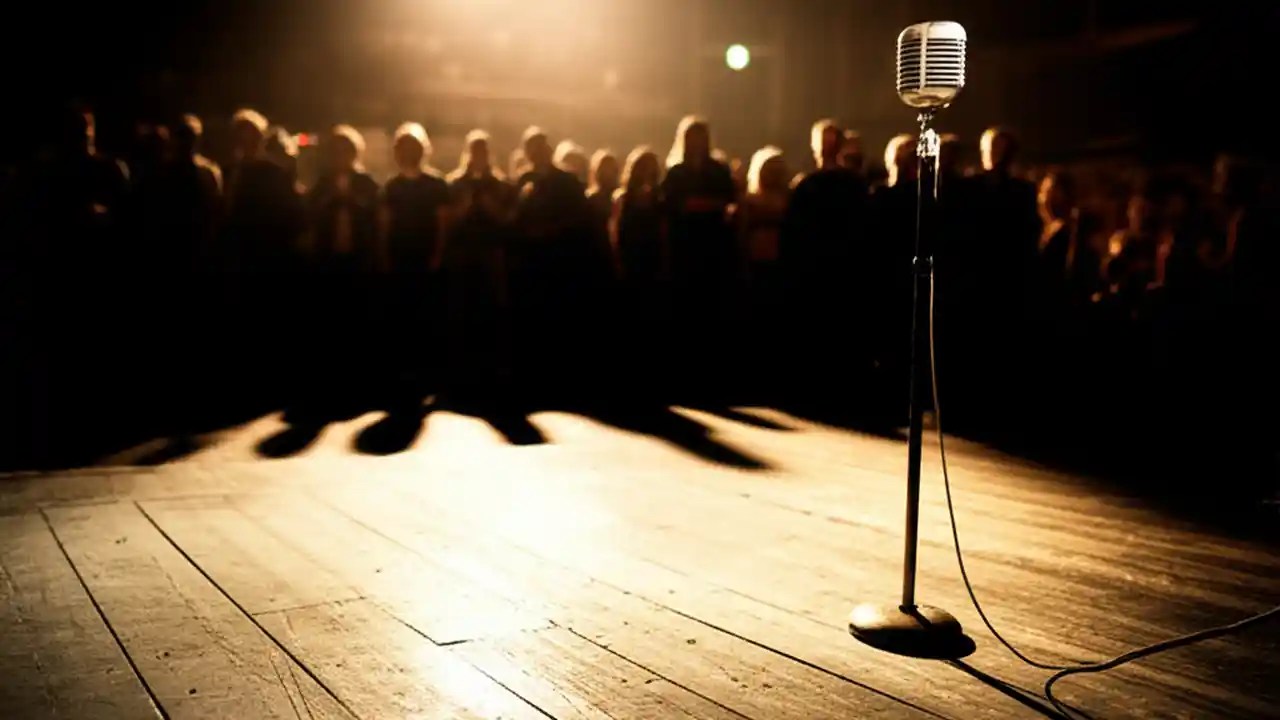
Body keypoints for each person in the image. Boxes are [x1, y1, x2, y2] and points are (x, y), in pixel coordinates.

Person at [660, 115, 738, 394]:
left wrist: (700, 205)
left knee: (711, 310)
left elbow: (729, 202)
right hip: (686, 251)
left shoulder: (717, 171)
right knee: (686, 310)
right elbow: (672, 208)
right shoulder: (676, 173)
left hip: (713, 250)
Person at [380, 122, 451, 391]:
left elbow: (442, 224)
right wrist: (385, 254)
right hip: (401, 257)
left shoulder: (435, 185)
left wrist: (437, 255)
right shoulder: (392, 187)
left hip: (424, 257)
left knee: (427, 315)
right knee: (402, 315)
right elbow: (385, 224)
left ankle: (427, 373)